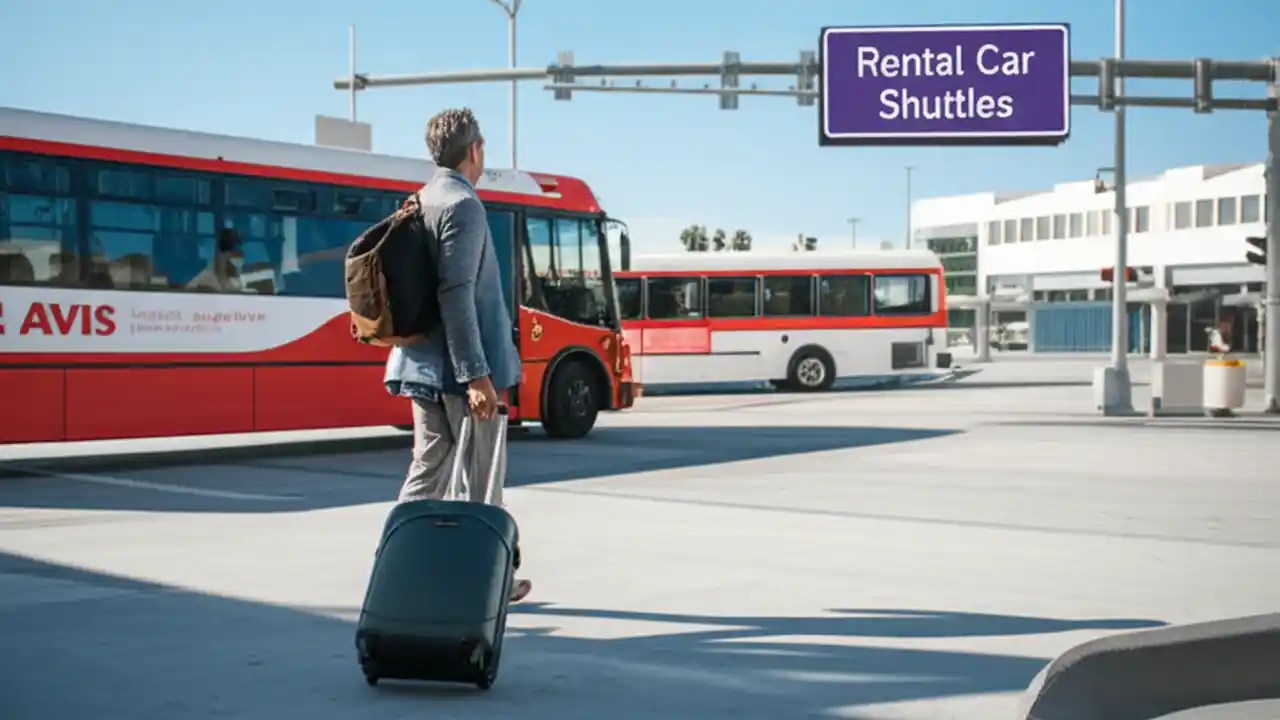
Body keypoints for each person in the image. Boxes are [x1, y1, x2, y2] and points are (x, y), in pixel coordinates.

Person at [383, 108, 531, 603]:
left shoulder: (420, 200)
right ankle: (489, 577)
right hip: (460, 370)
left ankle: (392, 560)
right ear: (474, 151)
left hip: (418, 363)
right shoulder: (463, 205)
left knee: (427, 469)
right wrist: (476, 377)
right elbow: (457, 293)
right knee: (482, 478)